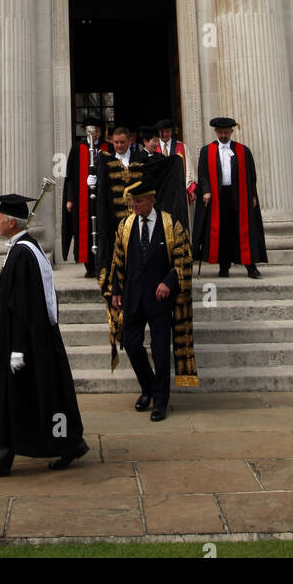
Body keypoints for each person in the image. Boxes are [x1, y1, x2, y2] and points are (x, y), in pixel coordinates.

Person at [0, 194, 88, 477]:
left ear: (10, 222)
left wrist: (17, 348)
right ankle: (69, 443)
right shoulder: (26, 247)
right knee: (45, 395)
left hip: (21, 342)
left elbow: (25, 306)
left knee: (11, 400)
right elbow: (21, 297)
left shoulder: (21, 253)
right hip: (33, 340)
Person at [108, 179, 198, 420]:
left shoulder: (171, 224)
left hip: (159, 300)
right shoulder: (125, 226)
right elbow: (117, 260)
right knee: (132, 343)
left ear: (151, 200)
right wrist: (116, 289)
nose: (134, 205)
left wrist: (168, 282)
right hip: (133, 298)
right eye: (132, 201)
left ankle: (160, 401)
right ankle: (148, 386)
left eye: (138, 201)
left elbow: (182, 259)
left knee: (160, 350)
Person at [192, 116, 267, 279]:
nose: (223, 135)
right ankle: (224, 266)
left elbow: (251, 175)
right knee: (222, 231)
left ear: (231, 132)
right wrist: (206, 190)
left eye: (226, 132)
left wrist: (253, 194)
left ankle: (250, 266)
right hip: (217, 196)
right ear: (216, 132)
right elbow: (203, 174)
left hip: (238, 194)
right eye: (220, 132)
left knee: (242, 229)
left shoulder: (243, 150)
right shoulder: (207, 151)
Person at [95, 125, 147, 296]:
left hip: (137, 220)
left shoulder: (140, 159)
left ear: (129, 141)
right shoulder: (106, 162)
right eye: (116, 142)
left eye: (122, 142)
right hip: (115, 222)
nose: (119, 146)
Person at [61, 113, 108, 277]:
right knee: (85, 231)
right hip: (83, 199)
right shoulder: (77, 148)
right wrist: (69, 198)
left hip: (102, 197)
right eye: (91, 130)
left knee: (102, 229)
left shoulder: (106, 148)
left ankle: (102, 264)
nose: (94, 134)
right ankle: (89, 266)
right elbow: (70, 177)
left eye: (97, 131)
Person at [139, 126, 189, 231]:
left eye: (158, 141)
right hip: (144, 199)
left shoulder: (161, 158)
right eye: (154, 141)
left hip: (160, 200)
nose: (157, 144)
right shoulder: (137, 158)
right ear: (145, 141)